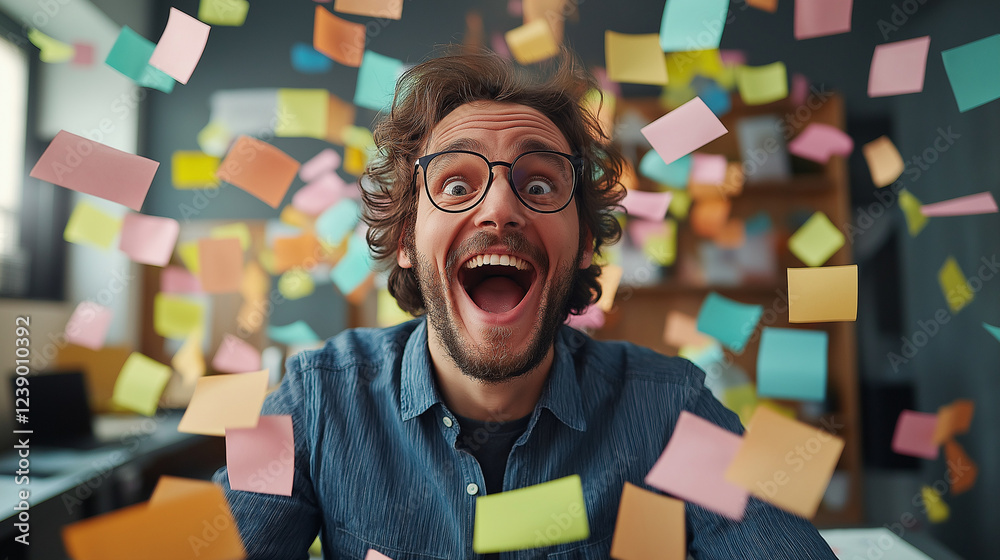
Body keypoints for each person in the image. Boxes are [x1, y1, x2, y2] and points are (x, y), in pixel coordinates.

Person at [214, 49, 839, 559]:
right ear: (405, 239)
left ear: (586, 243)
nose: (499, 208)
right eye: (456, 184)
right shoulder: (309, 399)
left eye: (538, 184)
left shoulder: (671, 406)